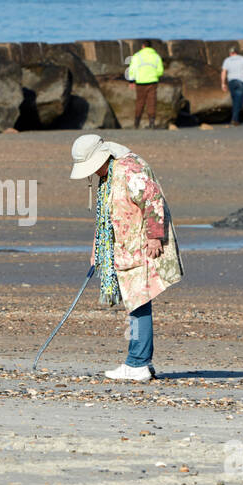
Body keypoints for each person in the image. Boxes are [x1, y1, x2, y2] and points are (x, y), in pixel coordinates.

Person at [69, 134, 184, 381]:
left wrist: (154, 237)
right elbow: (107, 217)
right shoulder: (109, 175)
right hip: (124, 246)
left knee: (138, 301)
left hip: (143, 244)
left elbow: (153, 200)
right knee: (136, 301)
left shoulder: (130, 169)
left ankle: (137, 363)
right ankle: (140, 362)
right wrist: (97, 250)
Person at [125, 40, 165, 129]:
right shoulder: (156, 56)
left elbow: (132, 70)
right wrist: (154, 75)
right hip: (152, 82)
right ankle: (151, 122)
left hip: (140, 82)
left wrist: (131, 81)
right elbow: (160, 71)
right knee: (152, 102)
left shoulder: (137, 56)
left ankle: (136, 123)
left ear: (143, 46)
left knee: (140, 102)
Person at [220, 45, 243, 125]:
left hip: (231, 81)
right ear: (236, 52)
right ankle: (235, 119)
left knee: (235, 100)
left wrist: (223, 83)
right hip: (240, 81)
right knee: (239, 101)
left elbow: (223, 72)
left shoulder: (227, 60)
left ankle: (235, 118)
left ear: (230, 53)